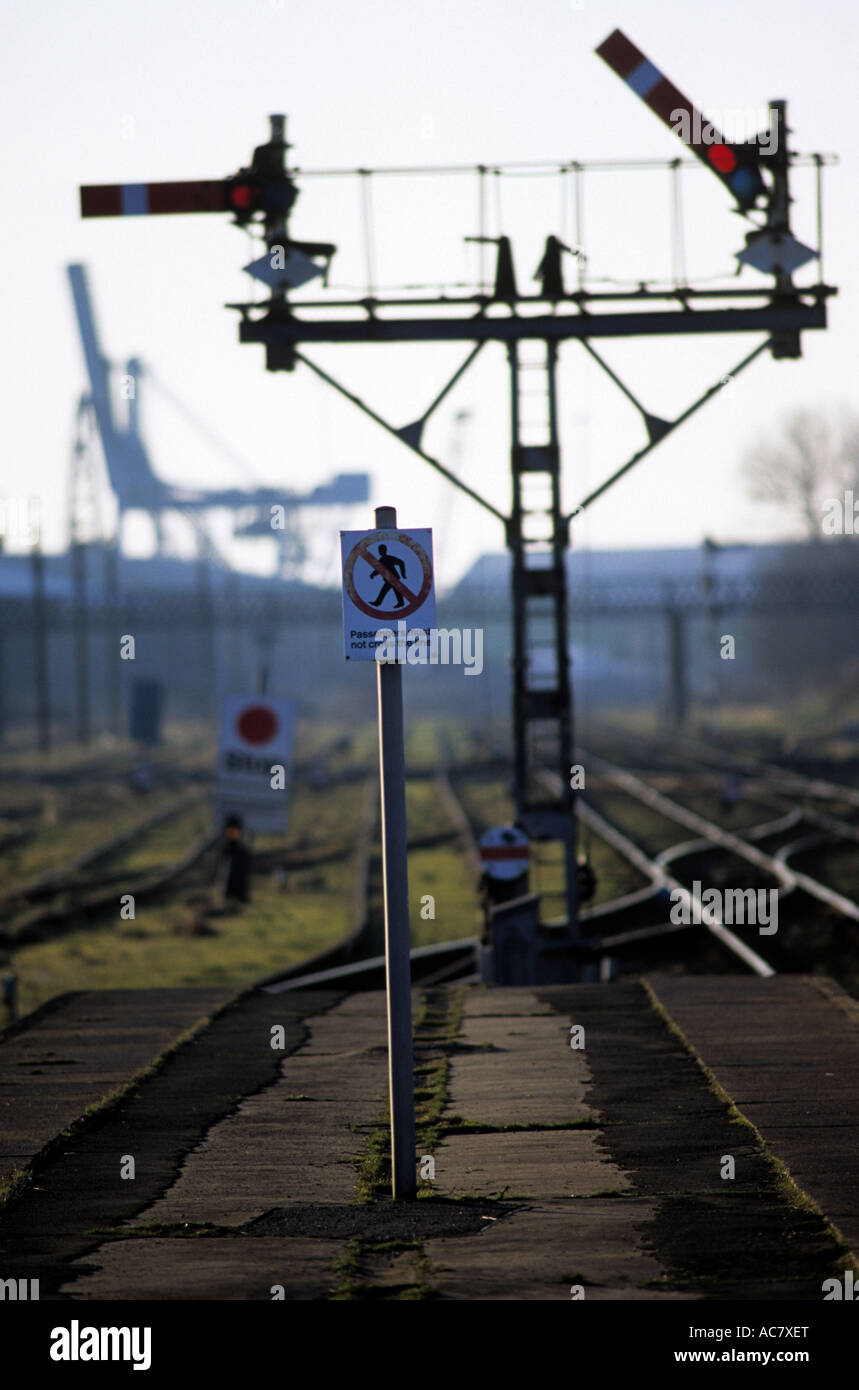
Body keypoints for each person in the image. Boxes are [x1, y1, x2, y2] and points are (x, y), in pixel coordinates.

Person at [217, 814, 252, 905]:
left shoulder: (241, 851)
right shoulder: (226, 849)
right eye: (231, 831)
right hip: (230, 891)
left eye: (234, 832)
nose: (232, 833)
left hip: (237, 891)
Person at [369, 544, 406, 608]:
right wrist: (373, 574)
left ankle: (377, 603)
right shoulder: (381, 559)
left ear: (385, 550)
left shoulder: (389, 558)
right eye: (379, 550)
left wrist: (403, 574)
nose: (380, 551)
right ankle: (401, 603)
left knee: (384, 590)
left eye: (381, 550)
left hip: (393, 578)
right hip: (389, 578)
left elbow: (401, 562)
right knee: (396, 591)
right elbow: (378, 569)